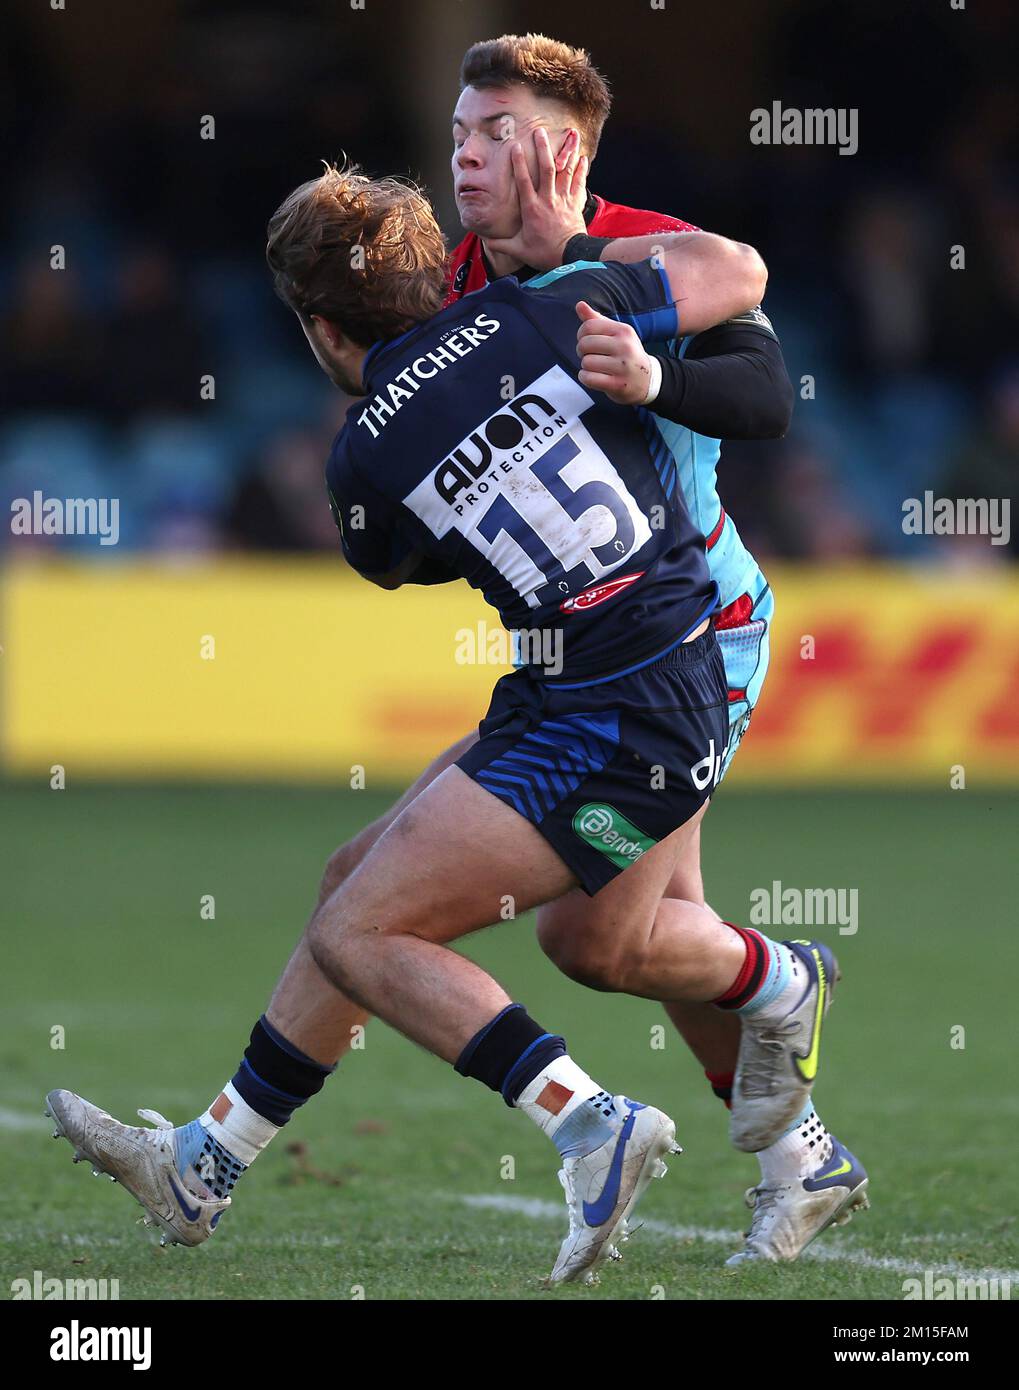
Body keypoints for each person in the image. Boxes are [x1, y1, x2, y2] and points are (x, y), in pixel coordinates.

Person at [47, 162, 862, 1287]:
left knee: (378, 932)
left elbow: (398, 556)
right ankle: (206, 1163)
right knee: (394, 890)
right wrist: (595, 267)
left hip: (625, 708)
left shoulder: (360, 459)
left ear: (321, 331)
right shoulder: (547, 305)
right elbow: (733, 273)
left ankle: (623, 1093)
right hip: (623, 676)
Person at [259, 33, 868, 1264]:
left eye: (490, 134)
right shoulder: (450, 277)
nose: (462, 158)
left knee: (604, 939)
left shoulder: (635, 246)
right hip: (584, 653)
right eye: (454, 135)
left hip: (703, 621)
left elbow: (763, 401)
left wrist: (648, 374)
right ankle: (799, 1154)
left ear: (561, 150)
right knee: (614, 940)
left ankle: (770, 992)